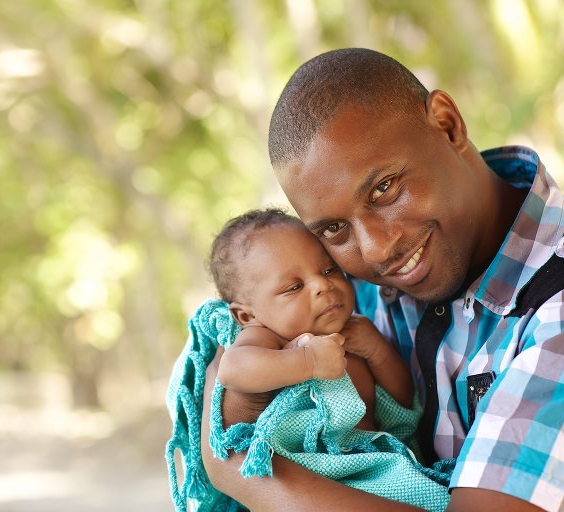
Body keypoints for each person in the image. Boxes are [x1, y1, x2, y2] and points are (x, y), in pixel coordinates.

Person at [199, 48, 564, 512]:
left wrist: (239, 471)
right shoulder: (342, 281)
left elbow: (224, 434)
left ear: (448, 125)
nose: (374, 250)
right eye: (334, 228)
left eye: (384, 189)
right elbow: (229, 376)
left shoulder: (554, 306)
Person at [208, 207, 413, 431]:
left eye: (329, 271)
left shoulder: (356, 330)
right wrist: (309, 361)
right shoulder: (266, 339)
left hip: (371, 454)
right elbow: (232, 371)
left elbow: (404, 400)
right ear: (248, 315)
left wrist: (377, 351)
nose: (322, 285)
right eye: (294, 287)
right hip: (309, 461)